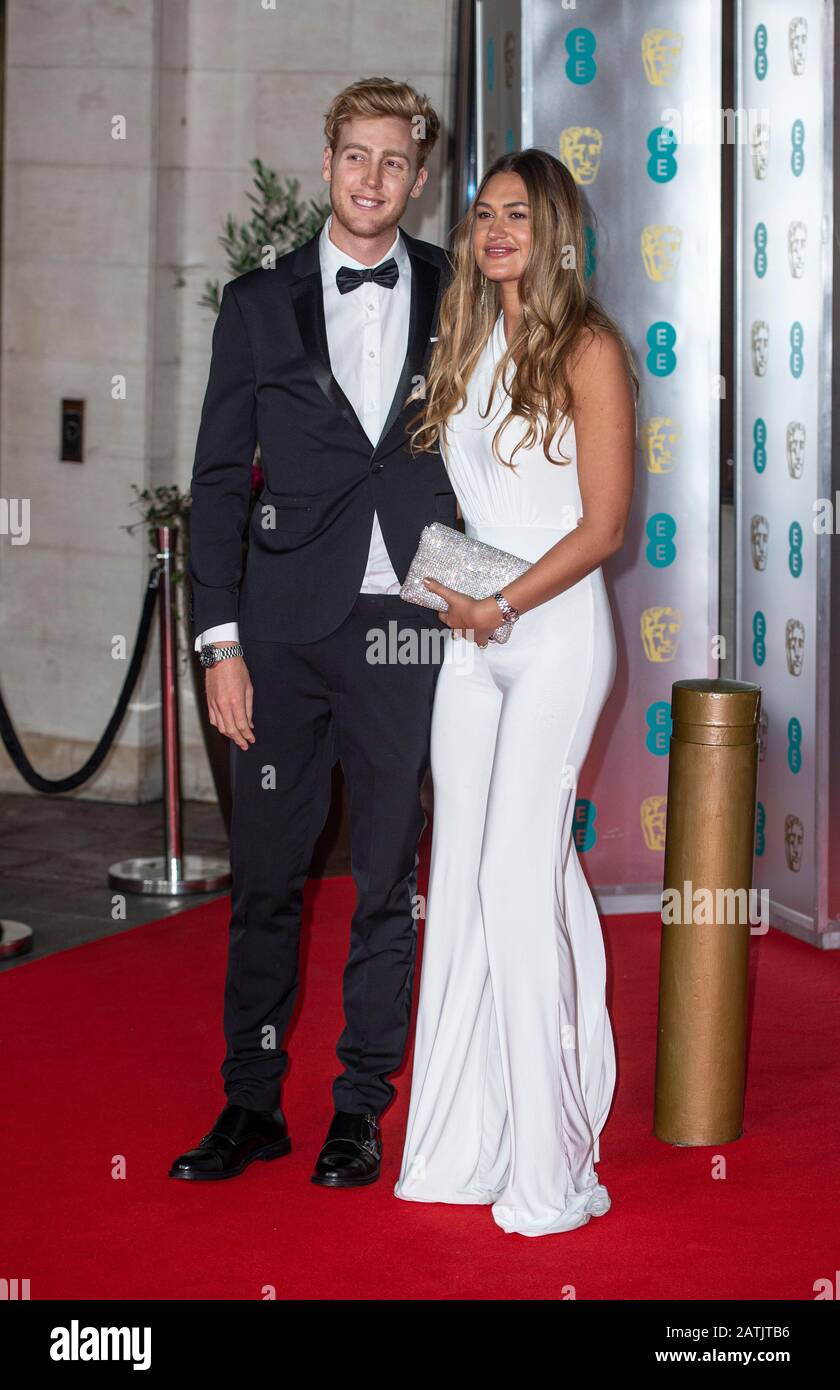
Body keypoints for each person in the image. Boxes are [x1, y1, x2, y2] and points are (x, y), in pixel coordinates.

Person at [169, 77, 458, 1187]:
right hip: (282, 636)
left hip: (408, 631)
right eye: (355, 155)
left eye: (394, 161)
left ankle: (359, 1107)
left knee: (389, 877)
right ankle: (252, 1103)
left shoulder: (455, 289)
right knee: (268, 878)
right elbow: (215, 486)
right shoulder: (256, 304)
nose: (371, 178)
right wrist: (219, 643)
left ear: (419, 180)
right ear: (326, 160)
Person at [393, 148, 638, 1236]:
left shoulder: (587, 345)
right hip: (474, 637)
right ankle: (460, 1138)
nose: (496, 230)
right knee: (469, 875)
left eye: (518, 216)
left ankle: (548, 1161)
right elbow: (477, 509)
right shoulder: (469, 340)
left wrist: (502, 606)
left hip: (554, 638)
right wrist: (459, 587)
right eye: (484, 214)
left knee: (511, 870)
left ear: (556, 232)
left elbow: (602, 526)